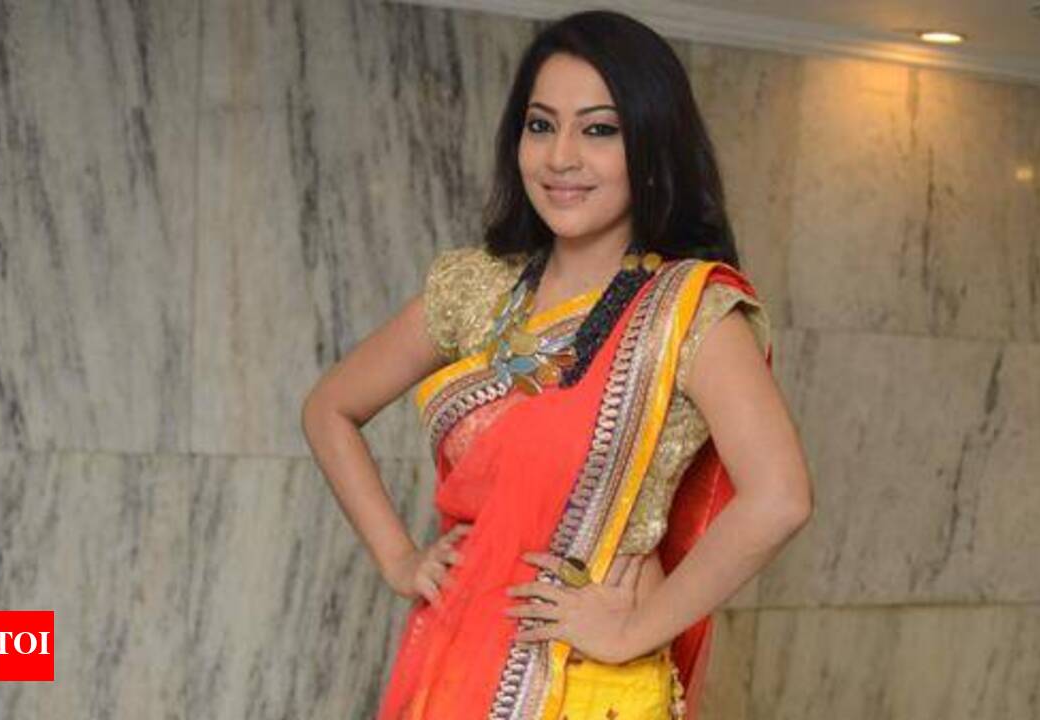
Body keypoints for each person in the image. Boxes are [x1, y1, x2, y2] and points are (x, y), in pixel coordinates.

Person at [301, 10, 813, 719]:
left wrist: (633, 628)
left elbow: (779, 497)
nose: (560, 157)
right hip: (460, 649)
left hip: (591, 680)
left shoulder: (687, 312)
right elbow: (329, 408)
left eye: (599, 130)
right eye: (541, 125)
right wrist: (400, 559)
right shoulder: (476, 290)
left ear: (652, 147)